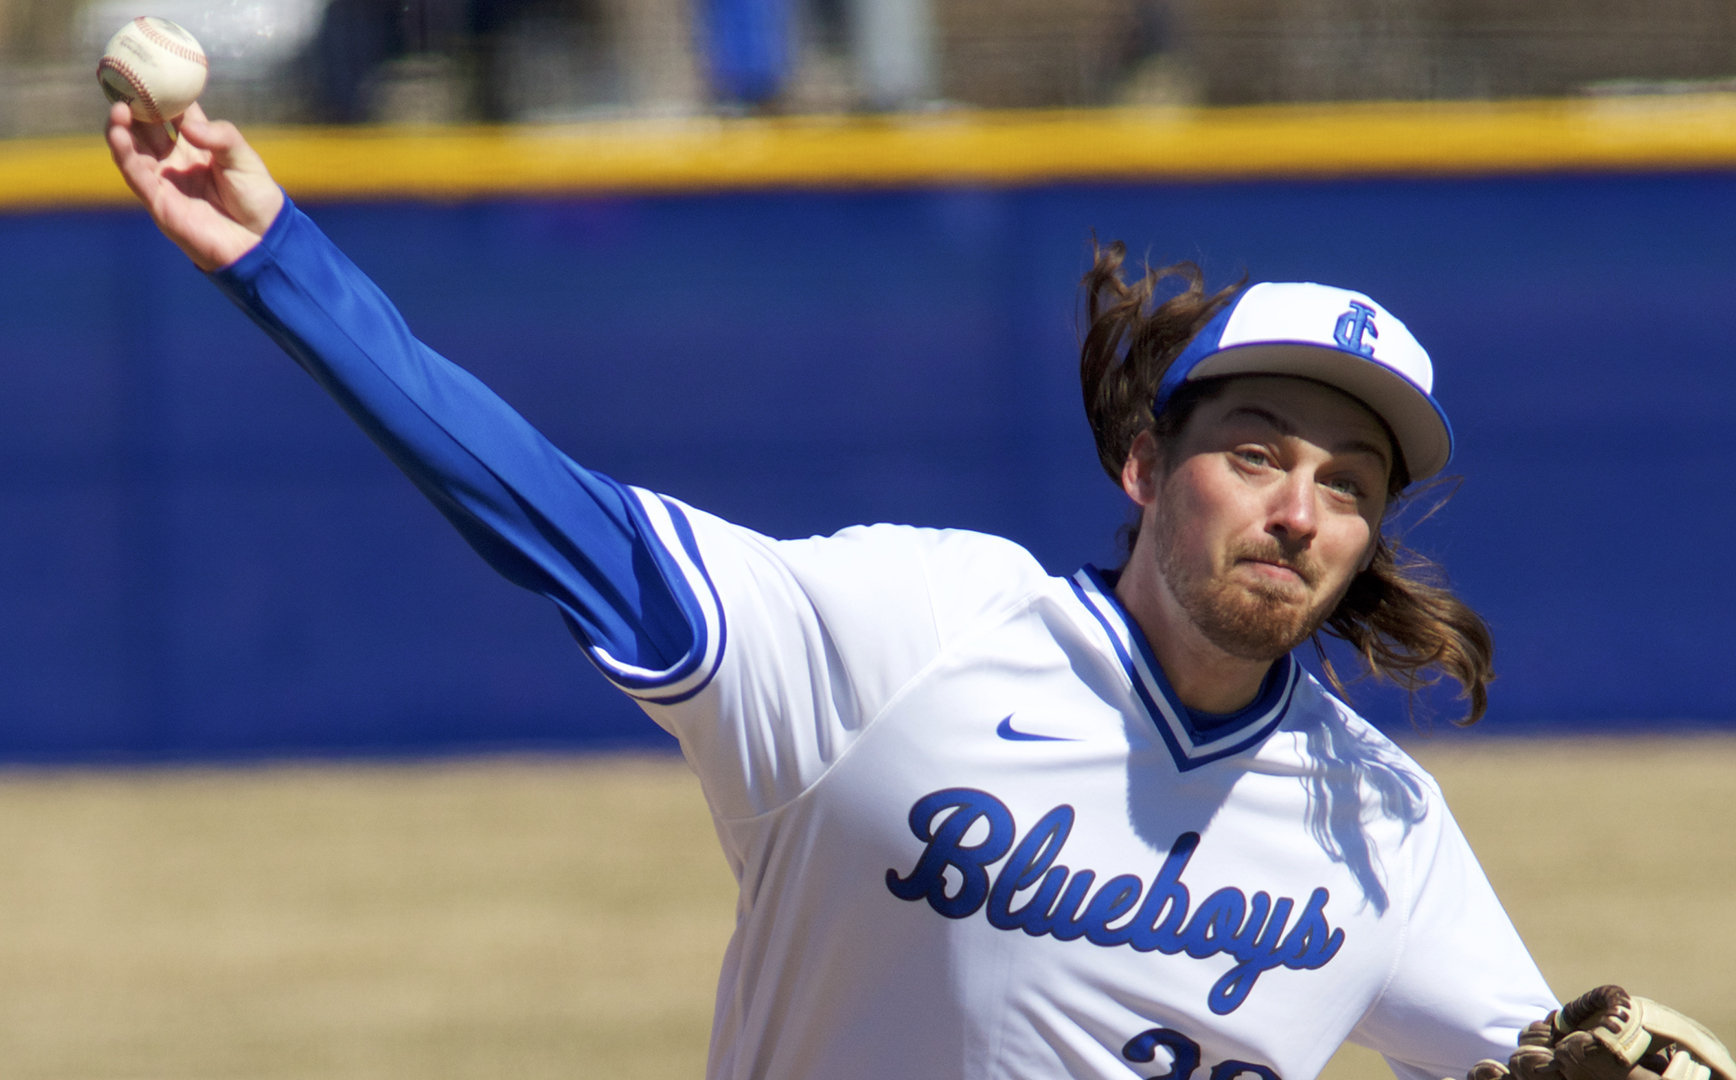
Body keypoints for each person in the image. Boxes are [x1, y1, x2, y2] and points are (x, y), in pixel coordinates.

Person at [106, 102, 1558, 1080]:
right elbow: (561, 520)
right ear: (1140, 464)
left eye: (1351, 482)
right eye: (1253, 455)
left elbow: (1545, 1054)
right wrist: (284, 265)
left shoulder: (1377, 823)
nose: (1300, 510)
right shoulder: (910, 637)